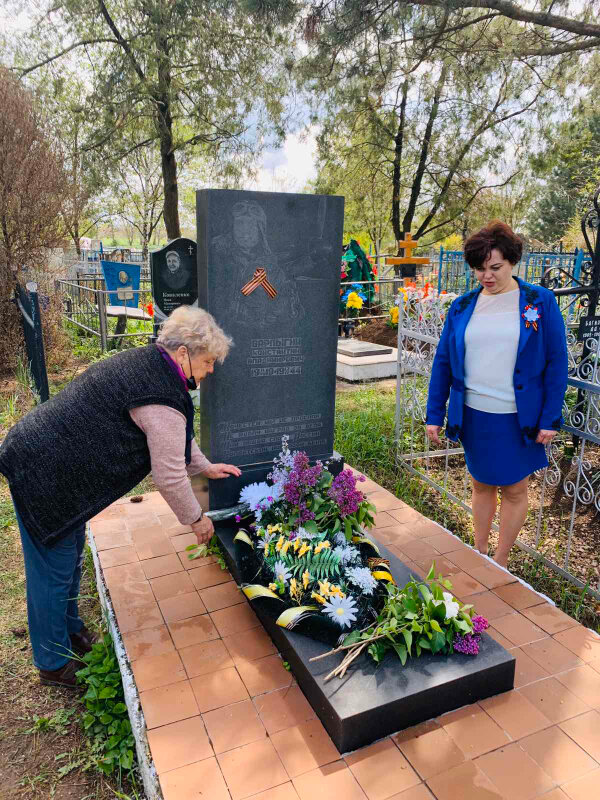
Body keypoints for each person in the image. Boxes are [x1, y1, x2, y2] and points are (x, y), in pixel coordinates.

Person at [0, 306, 241, 688]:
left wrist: (206, 467)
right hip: (44, 471)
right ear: (184, 355)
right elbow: (168, 474)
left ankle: (71, 631)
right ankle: (52, 664)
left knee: (70, 555)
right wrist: (197, 519)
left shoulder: (154, 368)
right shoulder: (158, 389)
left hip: (57, 466)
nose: (211, 370)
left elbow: (173, 438)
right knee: (52, 568)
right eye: (208, 361)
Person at [426, 222, 568, 568]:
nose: (486, 276)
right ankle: (480, 552)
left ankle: (501, 560)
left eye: (495, 267)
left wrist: (550, 416)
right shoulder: (462, 306)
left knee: (516, 490)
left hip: (518, 418)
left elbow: (556, 361)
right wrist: (434, 413)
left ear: (512, 261)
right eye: (478, 268)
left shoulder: (539, 301)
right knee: (481, 483)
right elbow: (444, 360)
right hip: (474, 414)